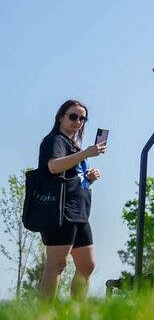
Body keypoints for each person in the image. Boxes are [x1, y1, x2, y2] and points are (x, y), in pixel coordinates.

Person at [38, 100, 106, 298]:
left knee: (87, 265)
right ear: (61, 117)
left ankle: (77, 311)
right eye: (73, 116)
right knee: (57, 264)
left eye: (82, 118)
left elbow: (71, 176)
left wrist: (89, 178)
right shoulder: (55, 140)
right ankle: (45, 312)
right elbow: (53, 166)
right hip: (61, 210)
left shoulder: (74, 146)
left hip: (80, 211)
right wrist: (85, 153)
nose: (78, 121)